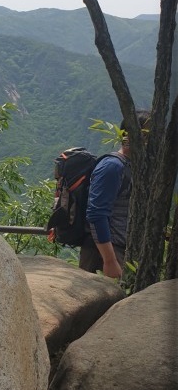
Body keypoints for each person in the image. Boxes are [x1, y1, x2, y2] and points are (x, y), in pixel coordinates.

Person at [80, 110, 151, 278]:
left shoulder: (134, 166)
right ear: (131, 135)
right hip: (105, 252)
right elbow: (96, 214)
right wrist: (109, 261)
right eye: (148, 135)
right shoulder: (112, 166)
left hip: (123, 249)